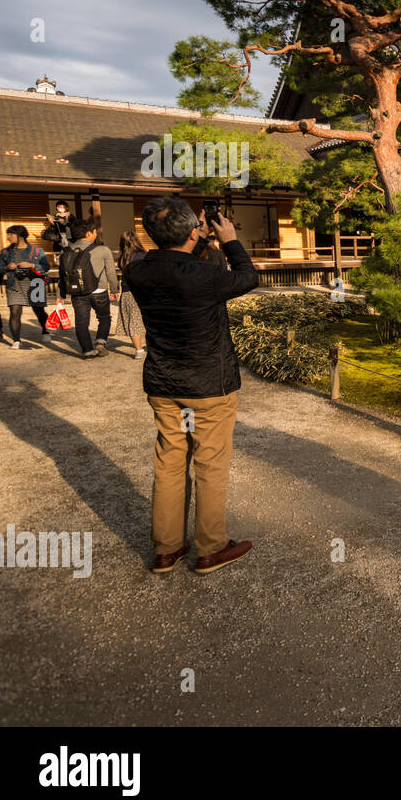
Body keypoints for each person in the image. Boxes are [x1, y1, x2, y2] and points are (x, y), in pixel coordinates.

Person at [124, 197, 258, 575]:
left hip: (165, 384)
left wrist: (194, 233)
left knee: (169, 463)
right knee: (210, 466)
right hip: (208, 385)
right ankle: (210, 548)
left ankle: (166, 550)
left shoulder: (137, 271)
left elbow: (173, 263)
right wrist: (228, 239)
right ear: (192, 232)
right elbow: (248, 278)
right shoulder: (207, 276)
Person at [60, 220, 118, 358]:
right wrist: (114, 289)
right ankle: (100, 343)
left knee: (81, 323)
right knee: (104, 318)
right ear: (89, 233)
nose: (96, 234)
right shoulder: (103, 250)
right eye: (95, 232)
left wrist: (61, 295)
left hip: (77, 292)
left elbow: (63, 275)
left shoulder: (66, 251)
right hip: (99, 291)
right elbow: (111, 272)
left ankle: (87, 350)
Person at [0, 226, 51, 349]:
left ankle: (45, 330)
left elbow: (46, 267)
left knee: (39, 311)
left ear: (20, 235)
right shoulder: (5, 252)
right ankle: (16, 340)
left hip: (35, 283)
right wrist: (7, 268)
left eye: (11, 234)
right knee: (14, 312)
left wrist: (31, 264)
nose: (8, 237)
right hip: (14, 284)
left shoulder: (37, 250)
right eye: (8, 234)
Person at [116, 231, 147, 360]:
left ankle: (138, 349)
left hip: (127, 292)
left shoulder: (122, 258)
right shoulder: (144, 256)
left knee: (132, 321)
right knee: (148, 319)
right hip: (143, 291)